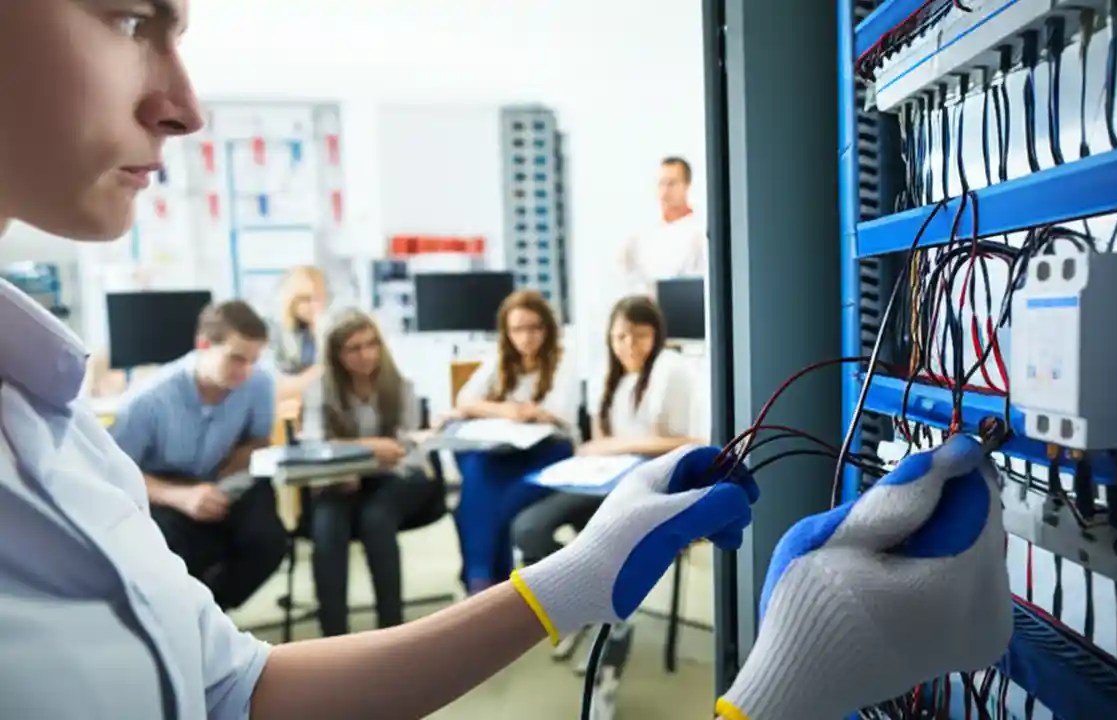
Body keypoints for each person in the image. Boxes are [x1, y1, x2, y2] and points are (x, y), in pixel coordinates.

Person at [0, 2, 1010, 718]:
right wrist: (786, 691)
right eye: (130, 18)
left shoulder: (56, 434)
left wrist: (573, 579)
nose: (185, 106)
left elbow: (242, 694)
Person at [108, 299, 287, 610]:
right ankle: (183, 622)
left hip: (223, 480)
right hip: (165, 491)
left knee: (268, 540)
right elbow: (114, 474)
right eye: (236, 359)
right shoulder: (148, 400)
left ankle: (210, 616)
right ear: (203, 344)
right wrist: (183, 497)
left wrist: (233, 470)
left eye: (253, 360)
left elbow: (258, 440)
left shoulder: (259, 383)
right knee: (171, 549)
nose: (245, 371)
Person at [512, 294, 702, 567]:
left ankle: (579, 584)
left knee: (534, 532)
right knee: (527, 529)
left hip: (649, 483)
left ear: (656, 335)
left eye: (640, 335)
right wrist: (604, 449)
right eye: (620, 337)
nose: (629, 346)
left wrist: (616, 446)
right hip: (604, 480)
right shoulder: (607, 374)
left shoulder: (671, 370)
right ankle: (579, 584)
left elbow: (694, 442)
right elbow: (600, 444)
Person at [300, 308, 446, 637]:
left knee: (376, 519)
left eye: (371, 344)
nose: (365, 355)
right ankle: (333, 636)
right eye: (353, 348)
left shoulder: (400, 385)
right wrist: (368, 448)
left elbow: (405, 448)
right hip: (339, 480)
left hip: (396, 478)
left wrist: (351, 450)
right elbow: (314, 449)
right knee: (327, 528)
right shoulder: (319, 390)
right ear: (337, 355)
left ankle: (390, 631)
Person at [452, 289, 579, 593]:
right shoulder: (500, 360)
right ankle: (493, 585)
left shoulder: (563, 360)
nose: (527, 337)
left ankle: (480, 581)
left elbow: (559, 415)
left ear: (547, 329)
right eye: (518, 329)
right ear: (507, 333)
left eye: (535, 327)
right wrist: (509, 410)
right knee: (475, 471)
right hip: (505, 451)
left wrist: (530, 414)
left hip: (549, 451)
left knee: (480, 503)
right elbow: (464, 400)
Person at [618, 156, 708, 297]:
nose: (665, 191)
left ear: (687, 185)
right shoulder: (643, 236)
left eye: (672, 184)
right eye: (661, 184)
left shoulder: (700, 232)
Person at [271, 265, 327, 403]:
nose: (315, 305)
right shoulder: (276, 333)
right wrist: (321, 370)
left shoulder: (320, 329)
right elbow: (277, 389)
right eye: (306, 299)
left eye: (319, 297)